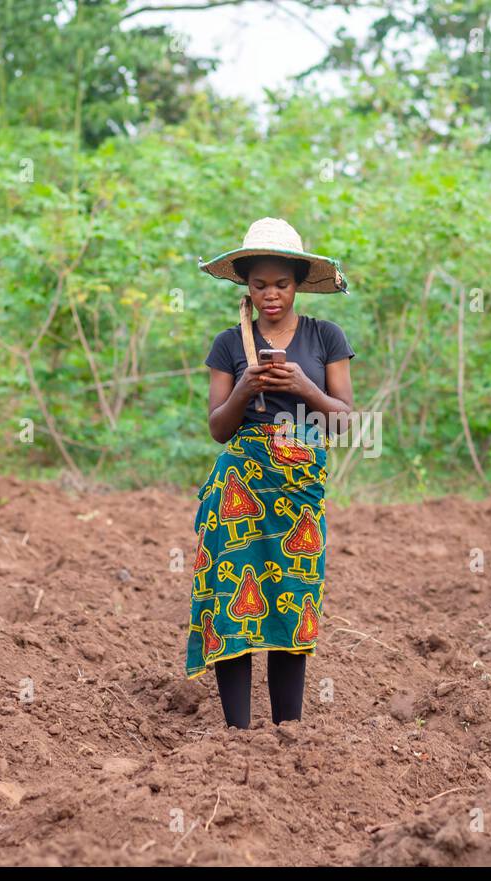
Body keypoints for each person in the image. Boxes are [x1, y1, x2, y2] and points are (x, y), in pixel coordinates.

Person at [186, 217, 355, 729]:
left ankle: (289, 732)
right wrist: (246, 387)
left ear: (299, 283)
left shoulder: (325, 337)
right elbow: (218, 428)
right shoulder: (228, 344)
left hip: (298, 493)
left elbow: (345, 420)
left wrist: (304, 385)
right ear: (247, 286)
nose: (271, 295)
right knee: (232, 597)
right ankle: (235, 732)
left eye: (281, 284)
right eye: (260, 285)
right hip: (239, 486)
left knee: (292, 602)